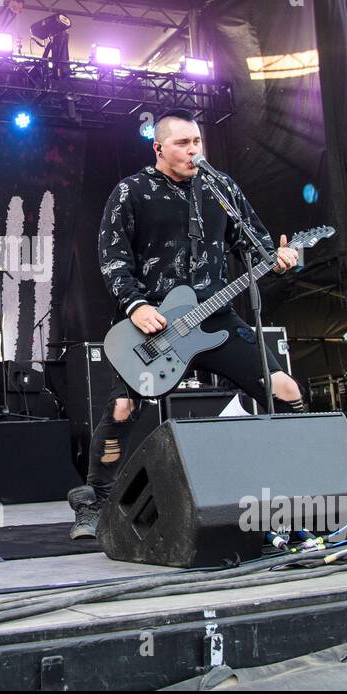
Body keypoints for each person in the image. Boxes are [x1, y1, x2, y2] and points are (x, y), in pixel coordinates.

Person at [67, 109, 306, 540]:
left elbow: (257, 243)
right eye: (182, 143)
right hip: (155, 322)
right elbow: (113, 257)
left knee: (284, 388)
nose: (193, 150)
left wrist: (282, 258)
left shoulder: (221, 188)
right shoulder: (131, 191)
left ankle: (310, 483)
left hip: (215, 316)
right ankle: (94, 502)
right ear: (158, 147)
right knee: (124, 407)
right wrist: (135, 304)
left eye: (197, 141)